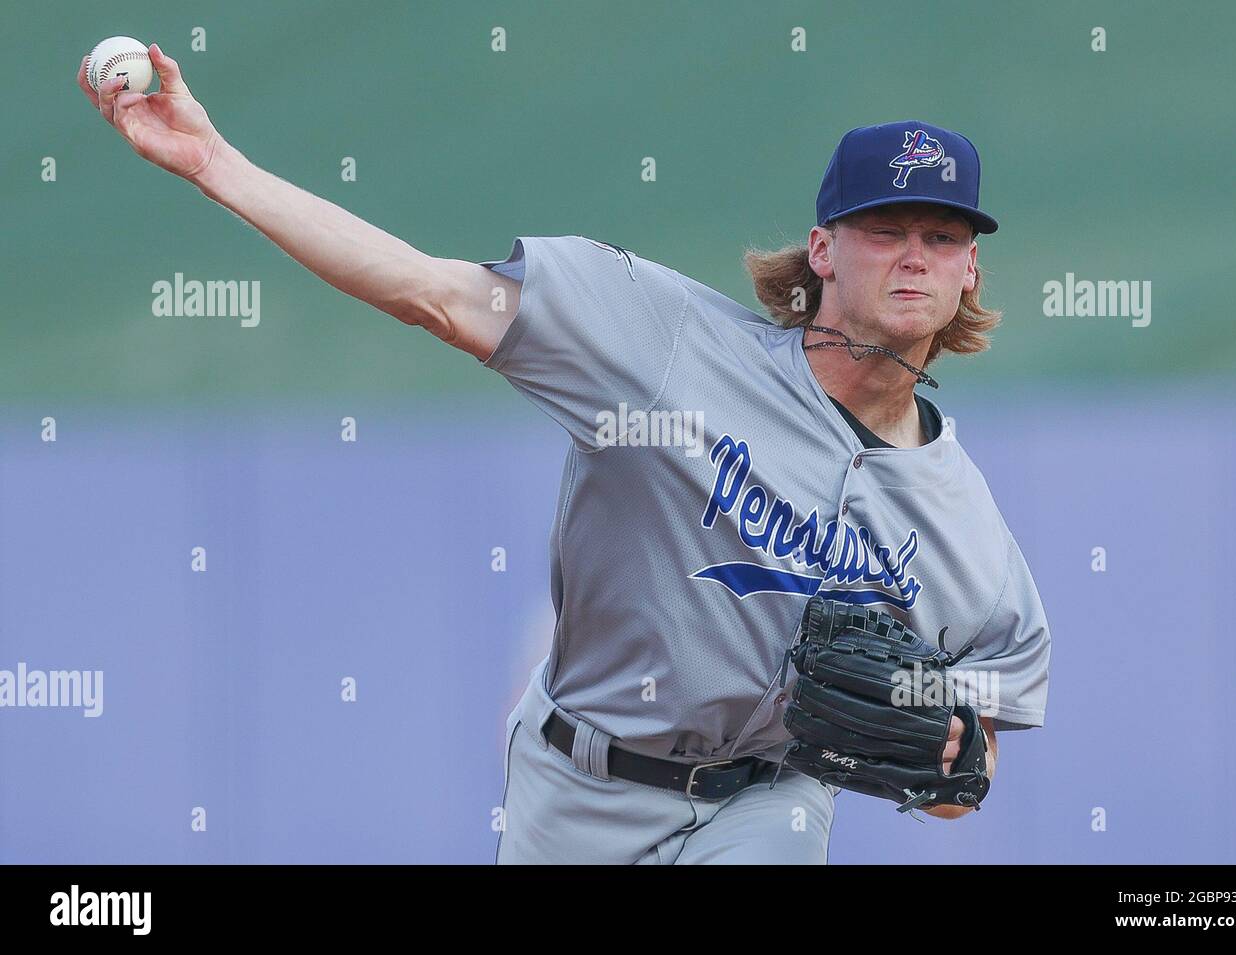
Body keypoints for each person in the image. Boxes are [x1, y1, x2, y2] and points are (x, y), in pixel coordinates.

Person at [79, 44, 1050, 865]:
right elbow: (434, 293)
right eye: (883, 230)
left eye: (941, 234)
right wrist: (215, 164)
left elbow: (973, 765)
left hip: (767, 800)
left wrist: (953, 755)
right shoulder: (662, 339)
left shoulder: (962, 522)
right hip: (573, 777)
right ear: (823, 250)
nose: (913, 255)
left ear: (969, 268)